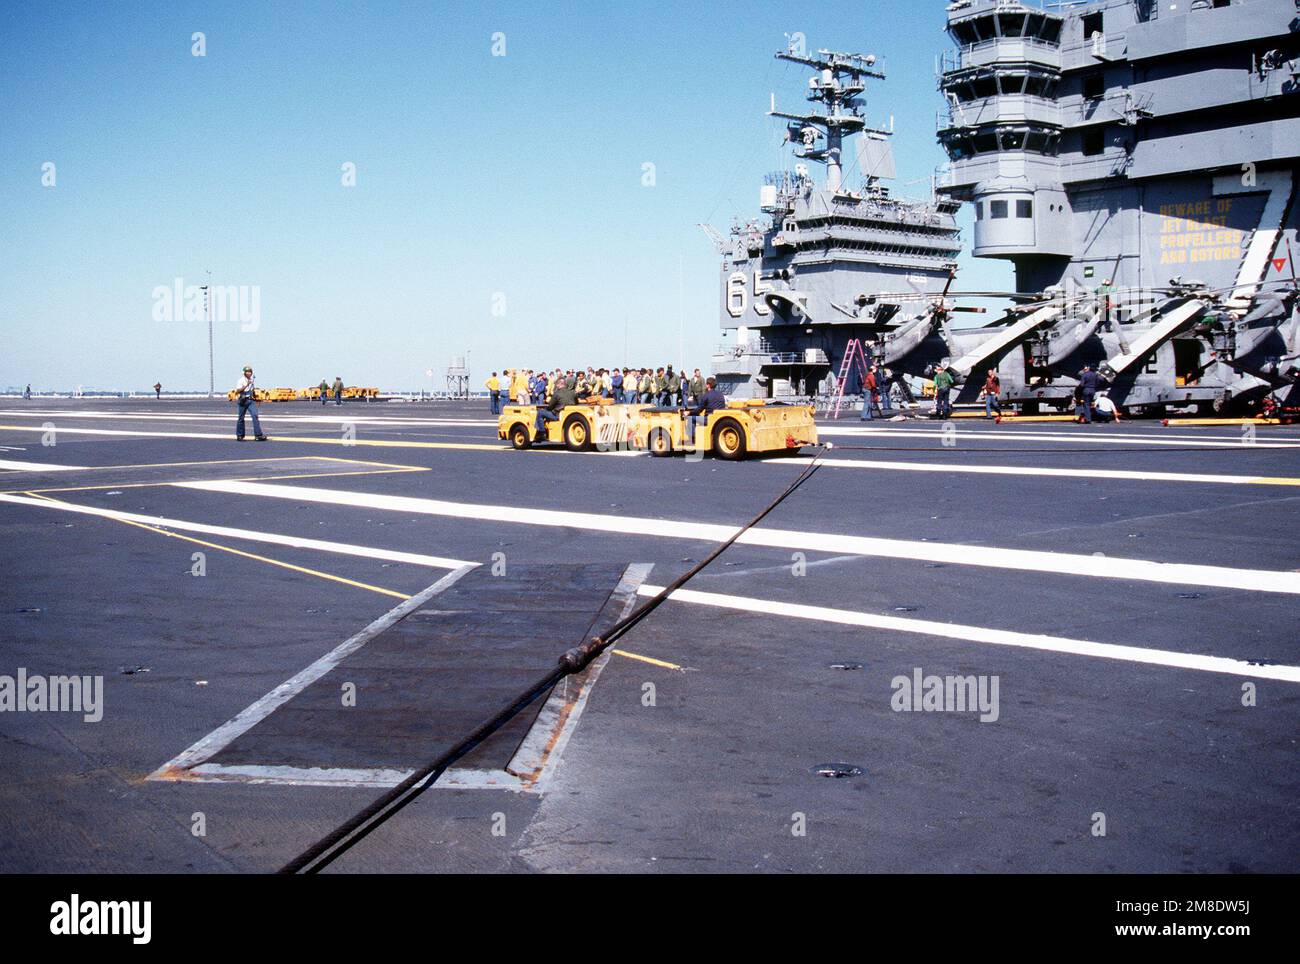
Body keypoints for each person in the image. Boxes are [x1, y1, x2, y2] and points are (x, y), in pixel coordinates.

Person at [685, 376, 727, 447]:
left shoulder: (706, 395)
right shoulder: (720, 394)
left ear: (708, 385)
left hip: (708, 419)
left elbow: (699, 410)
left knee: (690, 418)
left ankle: (693, 439)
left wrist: (689, 413)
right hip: (719, 419)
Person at [233, 365, 268, 441]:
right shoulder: (241, 381)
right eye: (247, 372)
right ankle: (240, 435)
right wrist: (246, 385)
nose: (249, 373)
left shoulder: (251, 381)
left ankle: (258, 435)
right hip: (242, 400)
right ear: (244, 373)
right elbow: (238, 391)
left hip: (250, 400)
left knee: (255, 415)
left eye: (250, 372)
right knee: (241, 418)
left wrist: (257, 399)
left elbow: (252, 390)